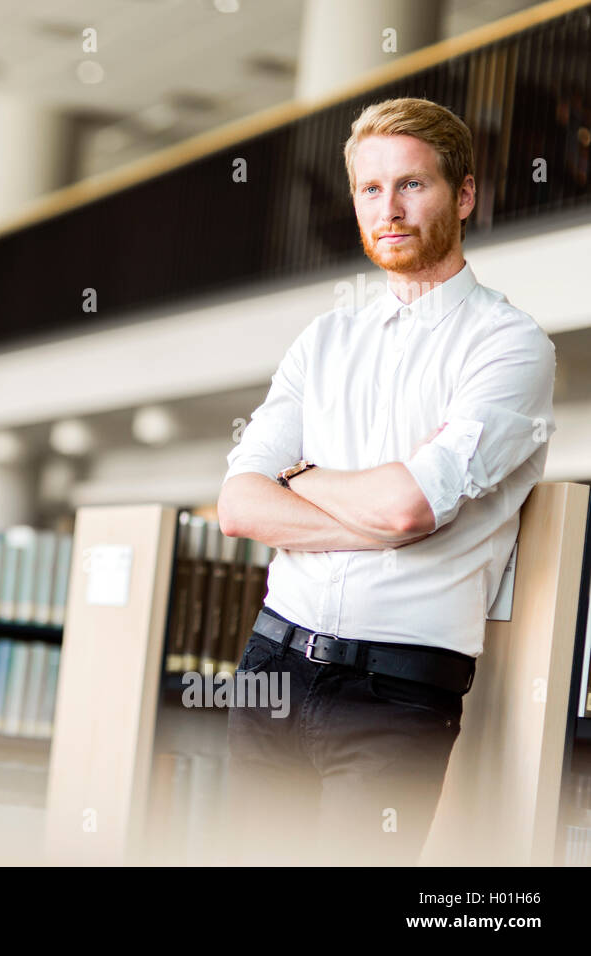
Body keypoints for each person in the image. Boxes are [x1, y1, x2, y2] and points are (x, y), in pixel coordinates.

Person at [216, 97, 556, 866]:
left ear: (463, 195)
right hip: (271, 665)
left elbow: (408, 506)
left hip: (395, 691)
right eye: (371, 190)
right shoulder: (325, 338)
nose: (389, 209)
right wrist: (368, 507)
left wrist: (298, 481)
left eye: (412, 185)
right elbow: (238, 506)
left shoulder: (509, 345)